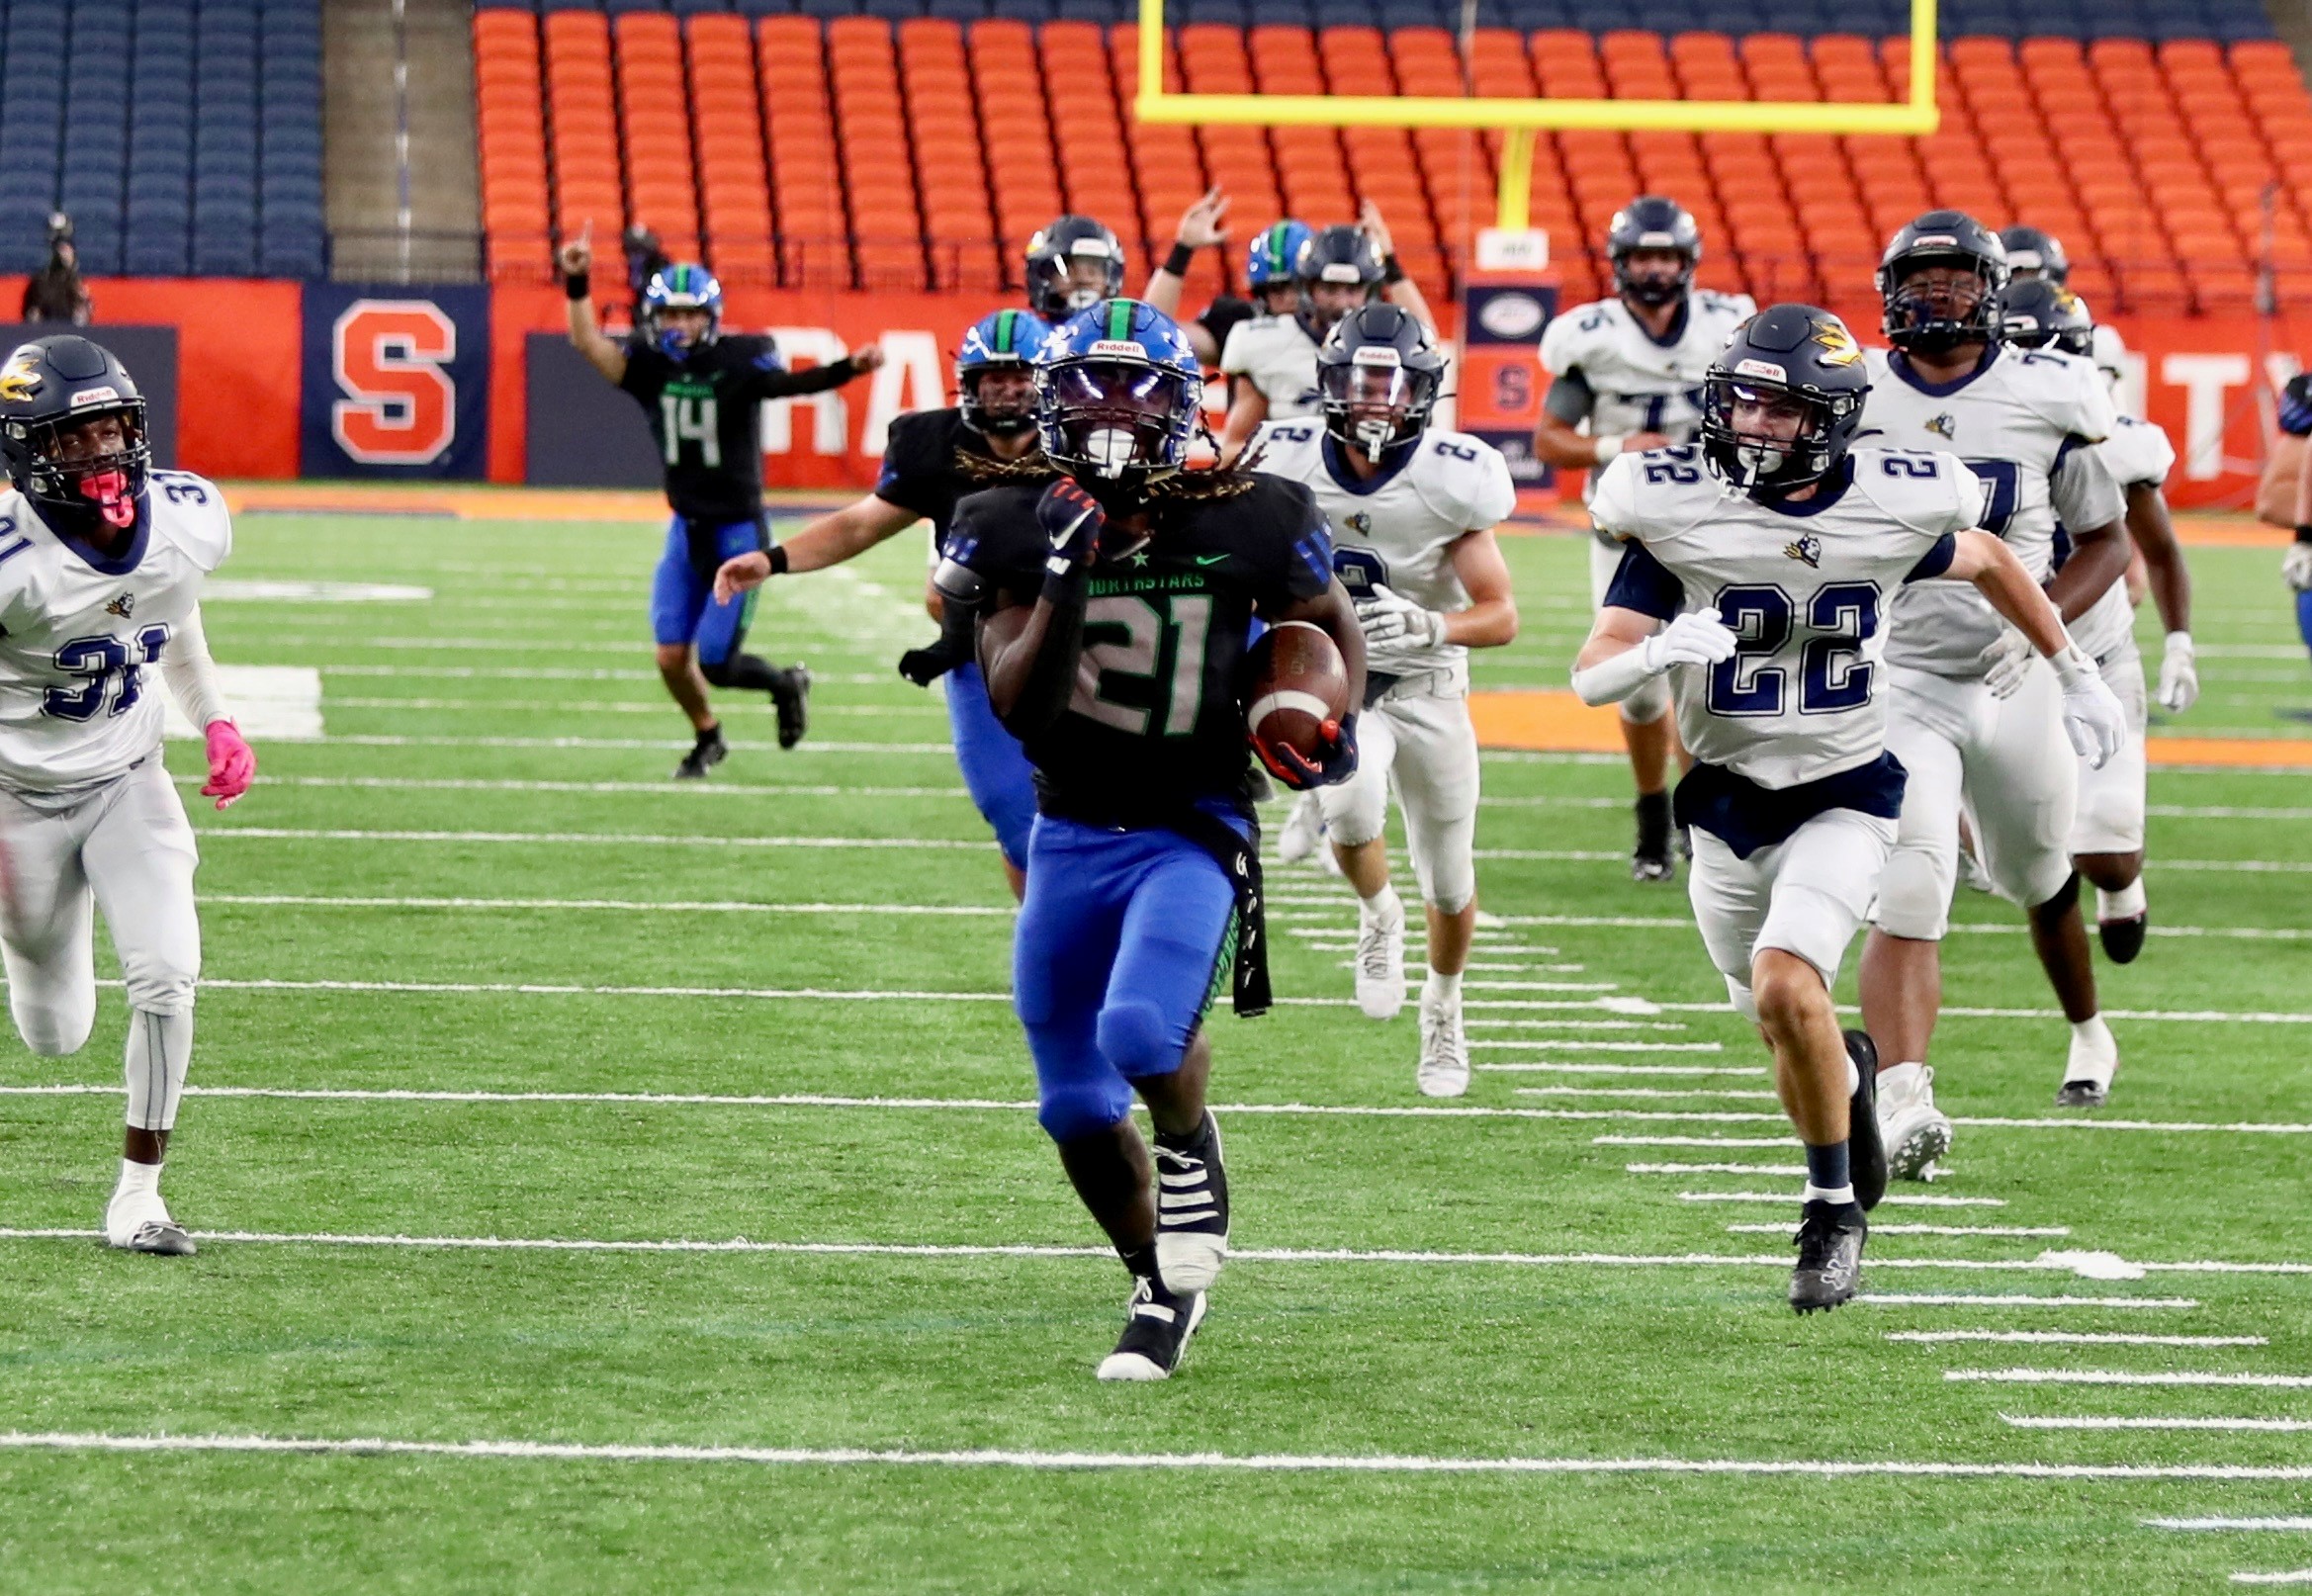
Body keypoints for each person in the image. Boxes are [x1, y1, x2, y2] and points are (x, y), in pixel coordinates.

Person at [1573, 305, 2124, 1311]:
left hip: (1846, 789)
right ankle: (1850, 1077)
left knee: (1790, 987)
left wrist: (2074, 670)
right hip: (1726, 801)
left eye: (1777, 410)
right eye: (1737, 399)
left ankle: (1829, 1211)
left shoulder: (1890, 501)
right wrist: (1655, 652)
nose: (1749, 423)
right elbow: (1591, 670)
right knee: (1781, 1024)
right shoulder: (1675, 504)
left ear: (1829, 421)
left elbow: (1995, 558)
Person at [942, 298, 1365, 1379]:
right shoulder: (1005, 519)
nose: (1115, 413)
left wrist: (1331, 721)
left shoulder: (1254, 513)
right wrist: (1065, 570)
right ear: (1047, 403)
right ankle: (1154, 1286)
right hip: (1072, 830)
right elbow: (1019, 708)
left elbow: (1330, 628)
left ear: (1185, 407)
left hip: (1191, 821)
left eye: (1141, 389)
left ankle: (1190, 1148)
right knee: (1073, 1108)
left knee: (1138, 1032)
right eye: (1089, 387)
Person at [1853, 212, 2132, 1167]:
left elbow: (2108, 538)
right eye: (1919, 279)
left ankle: (2088, 1026)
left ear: (1991, 289)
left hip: (2019, 679)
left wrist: (2045, 624)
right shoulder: (1852, 396)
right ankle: (1902, 1100)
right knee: (1913, 879)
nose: (1937, 296)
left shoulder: (2050, 394)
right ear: (1890, 290)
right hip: (1901, 675)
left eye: (1957, 280)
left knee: (2038, 873)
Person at [0, 334, 257, 1256]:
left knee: (167, 972)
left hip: (129, 779)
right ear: (30, 455)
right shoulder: (13, 565)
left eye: (113, 431)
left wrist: (216, 719)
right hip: (17, 800)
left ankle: (137, 1197)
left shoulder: (185, 517)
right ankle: (30, 957)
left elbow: (171, 606)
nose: (104, 457)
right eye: (76, 441)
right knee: (55, 1032)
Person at [1244, 304, 1519, 1097]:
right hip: (1339, 686)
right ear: (1328, 385)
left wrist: (1434, 623)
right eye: (1357, 383)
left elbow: (1502, 614)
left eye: (1388, 385)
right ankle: (1378, 916)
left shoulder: (1452, 474)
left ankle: (1445, 1005)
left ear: (1422, 393)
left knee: (1450, 876)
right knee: (1353, 814)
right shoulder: (1288, 456)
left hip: (1428, 686)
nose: (1372, 401)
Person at [712, 309, 1053, 897]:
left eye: (1019, 376)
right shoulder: (935, 445)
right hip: (979, 652)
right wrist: (771, 559)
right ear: (967, 384)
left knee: (1091, 816)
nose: (1006, 390)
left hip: (1073, 645)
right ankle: (1050, 942)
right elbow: (860, 526)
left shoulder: (1084, 446)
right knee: (1011, 813)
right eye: (991, 378)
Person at [559, 234, 884, 778]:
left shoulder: (737, 362)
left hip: (737, 532)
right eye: (669, 315)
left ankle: (785, 683)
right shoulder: (650, 369)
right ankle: (707, 734)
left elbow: (788, 383)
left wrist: (849, 367)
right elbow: (588, 342)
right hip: (686, 530)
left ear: (710, 317)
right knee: (669, 657)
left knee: (716, 660)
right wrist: (576, 282)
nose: (679, 326)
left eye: (689, 315)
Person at [1535, 196, 1757, 882]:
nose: (1654, 270)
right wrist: (1616, 442)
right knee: (1636, 688)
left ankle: (1699, 817)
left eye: (1665, 256)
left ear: (1687, 262)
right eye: (1642, 257)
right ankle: (1651, 812)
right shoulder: (1592, 336)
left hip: (1714, 524)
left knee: (1710, 675)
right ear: (1620, 264)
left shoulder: (1726, 325)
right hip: (1630, 528)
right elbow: (1548, 440)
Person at [1997, 280, 2196, 975]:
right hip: (2002, 665)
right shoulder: (1963, 436)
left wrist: (2178, 643)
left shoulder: (2119, 444)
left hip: (2098, 656)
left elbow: (2160, 550)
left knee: (2105, 860)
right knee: (2010, 856)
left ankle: (2123, 882)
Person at [1216, 206, 1434, 463]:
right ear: (1308, 287)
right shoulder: (1264, 341)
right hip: (1295, 485)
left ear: (1370, 290)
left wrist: (1391, 262)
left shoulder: (1386, 340)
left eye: (1352, 289)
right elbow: (1235, 447)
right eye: (1330, 289)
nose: (1342, 302)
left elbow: (1426, 338)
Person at [1140, 188, 1307, 368]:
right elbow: (1155, 336)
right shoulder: (1241, 324)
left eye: (1298, 287)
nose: (1290, 298)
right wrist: (1182, 250)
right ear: (1261, 292)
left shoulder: (1334, 329)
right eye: (1278, 289)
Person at [2000, 224, 2130, 403]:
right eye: (2016, 275)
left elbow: (2108, 418)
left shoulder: (2094, 339)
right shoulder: (1979, 337)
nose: (2022, 285)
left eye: (2028, 274)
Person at [1023, 215, 1127, 328]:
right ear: (1046, 275)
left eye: (1093, 270)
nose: (1084, 279)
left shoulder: (1123, 335)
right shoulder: (1027, 332)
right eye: (1070, 269)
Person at [21, 213, 91, 326]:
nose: (63, 253)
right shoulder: (40, 282)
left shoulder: (76, 283)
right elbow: (29, 315)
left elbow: (85, 317)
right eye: (59, 248)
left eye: (66, 248)